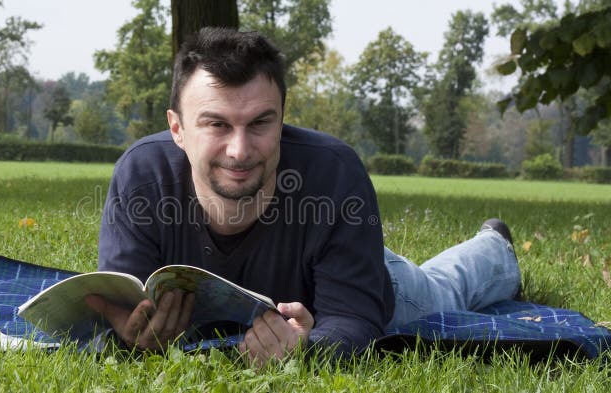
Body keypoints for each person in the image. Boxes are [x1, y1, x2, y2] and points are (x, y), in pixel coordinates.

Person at [86, 27, 521, 366]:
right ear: (177, 129)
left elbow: (355, 320)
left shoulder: (334, 172)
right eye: (217, 124)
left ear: (281, 120)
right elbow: (119, 307)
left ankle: (495, 248)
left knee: (444, 292)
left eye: (260, 123)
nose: (239, 150)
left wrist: (311, 347)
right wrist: (126, 332)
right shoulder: (142, 177)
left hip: (356, 277)